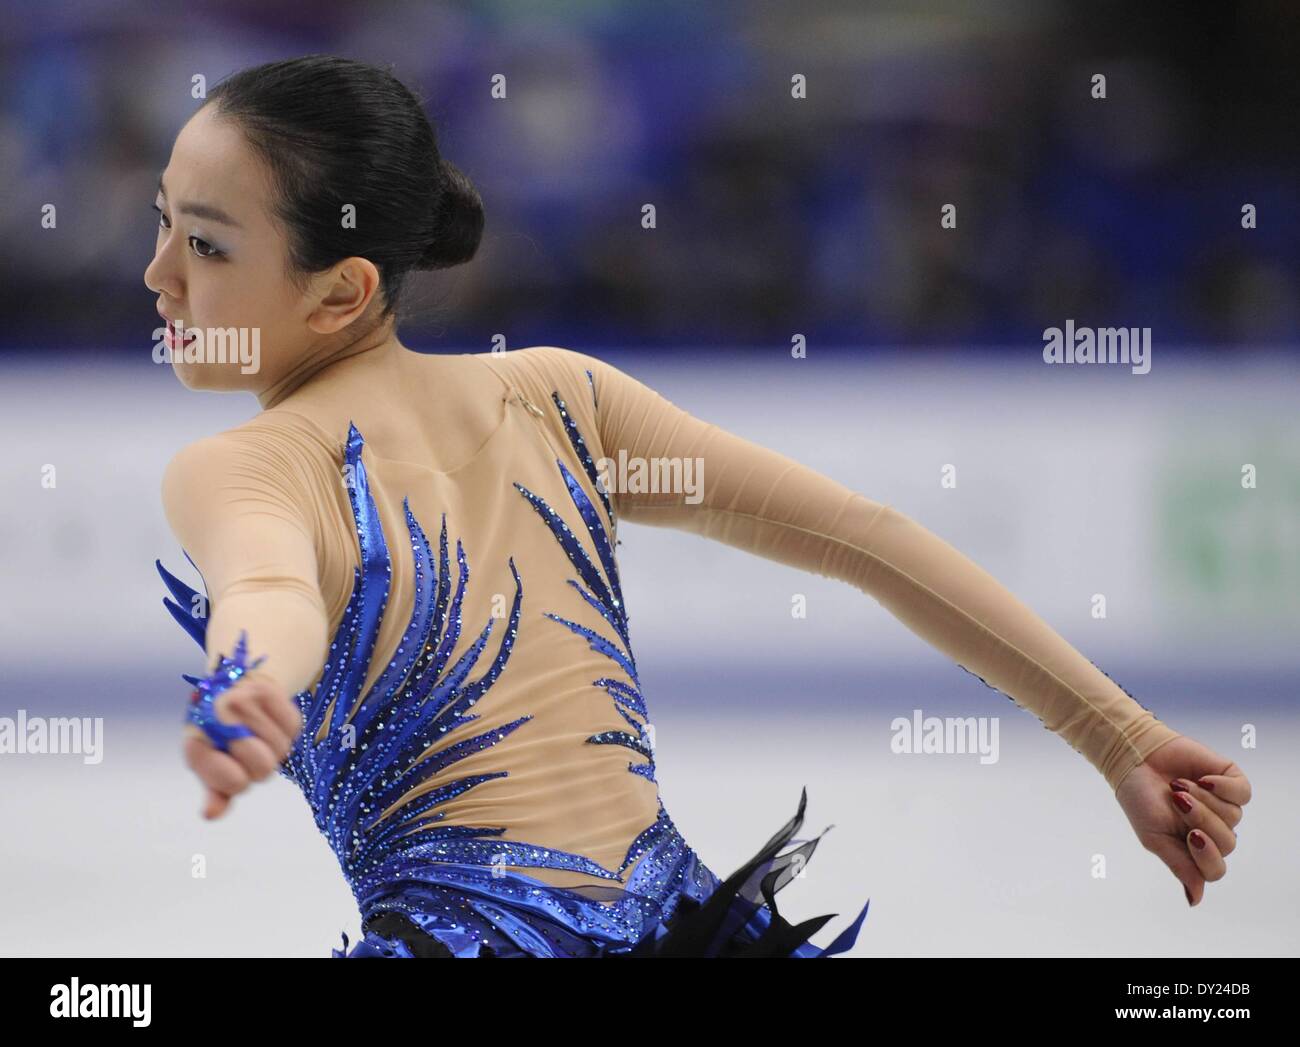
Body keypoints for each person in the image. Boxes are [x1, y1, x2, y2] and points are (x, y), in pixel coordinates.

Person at [145, 55, 1249, 958]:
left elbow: (270, 590)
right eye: (163, 224)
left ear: (343, 289)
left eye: (203, 243)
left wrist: (248, 684)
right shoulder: (562, 397)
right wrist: (1122, 739)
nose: (158, 276)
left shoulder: (249, 464)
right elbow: (865, 539)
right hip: (688, 940)